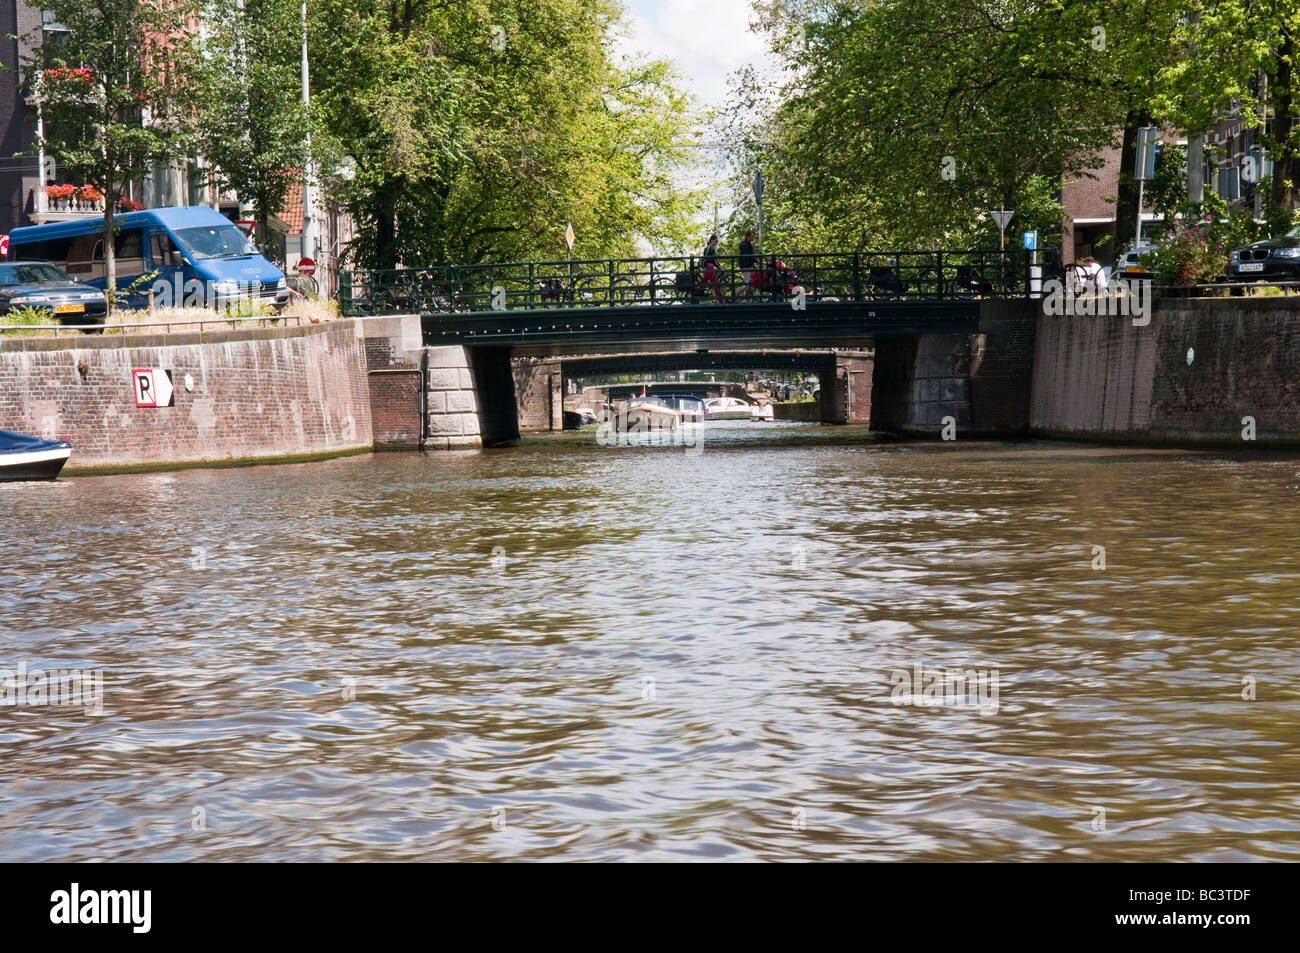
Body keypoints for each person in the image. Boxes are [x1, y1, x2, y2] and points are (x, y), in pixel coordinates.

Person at [700, 235, 724, 302]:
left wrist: (719, 266)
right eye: (716, 241)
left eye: (717, 241)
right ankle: (721, 300)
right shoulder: (708, 248)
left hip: (710, 267)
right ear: (711, 240)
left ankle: (696, 295)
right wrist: (703, 267)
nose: (717, 243)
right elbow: (705, 258)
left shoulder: (712, 249)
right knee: (715, 282)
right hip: (708, 267)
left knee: (703, 282)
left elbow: (714, 260)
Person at [738, 230, 757, 296]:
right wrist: (756, 260)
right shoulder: (745, 245)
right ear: (747, 236)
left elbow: (750, 256)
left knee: (750, 283)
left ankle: (748, 299)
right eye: (751, 236)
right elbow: (748, 256)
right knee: (748, 283)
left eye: (753, 236)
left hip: (748, 266)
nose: (753, 238)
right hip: (746, 266)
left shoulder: (748, 244)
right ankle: (735, 294)